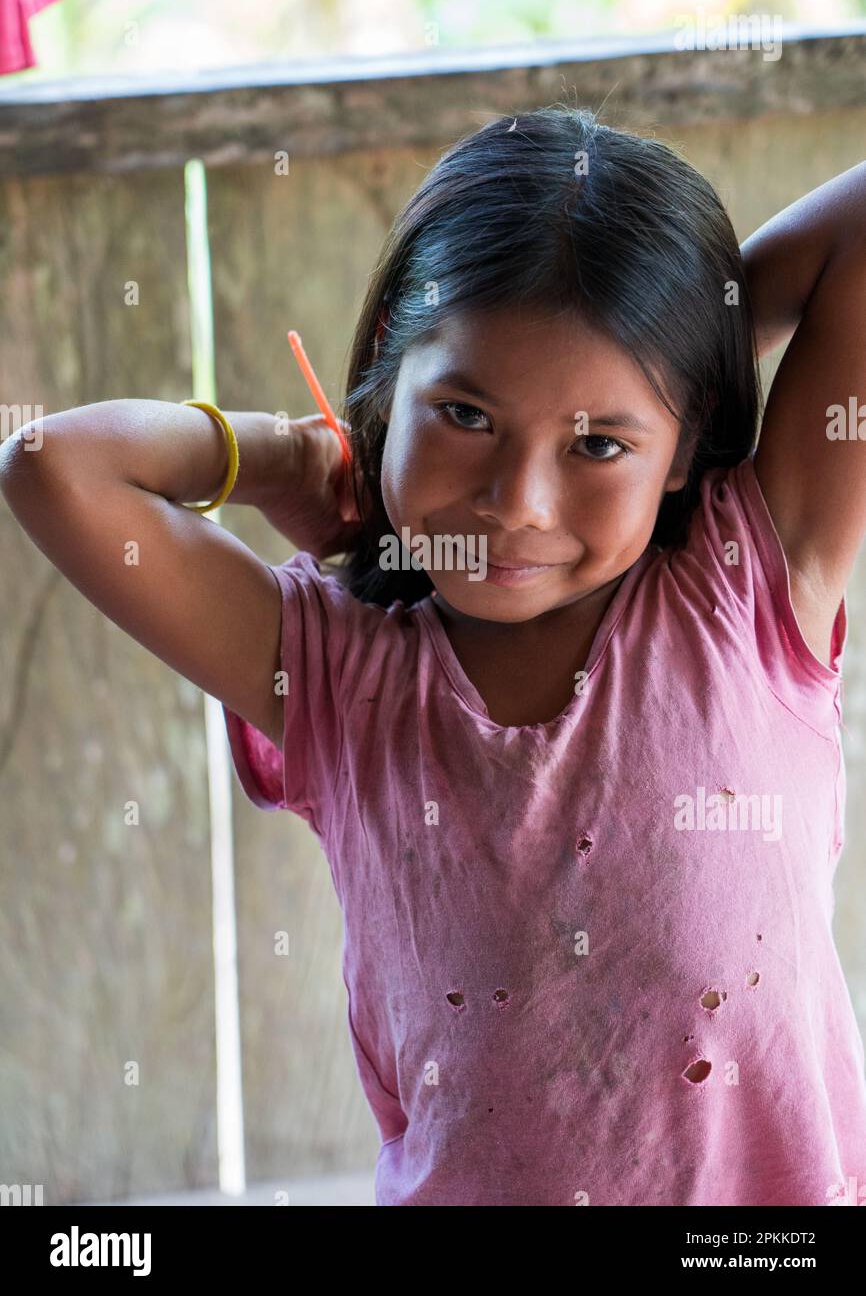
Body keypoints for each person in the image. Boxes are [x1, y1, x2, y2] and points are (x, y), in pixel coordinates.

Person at [3, 106, 866, 1206]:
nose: (518, 502)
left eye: (598, 443)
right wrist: (276, 456)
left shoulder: (745, 591)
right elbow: (48, 466)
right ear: (381, 388)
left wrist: (672, 337)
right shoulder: (328, 667)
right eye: (462, 413)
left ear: (684, 440)